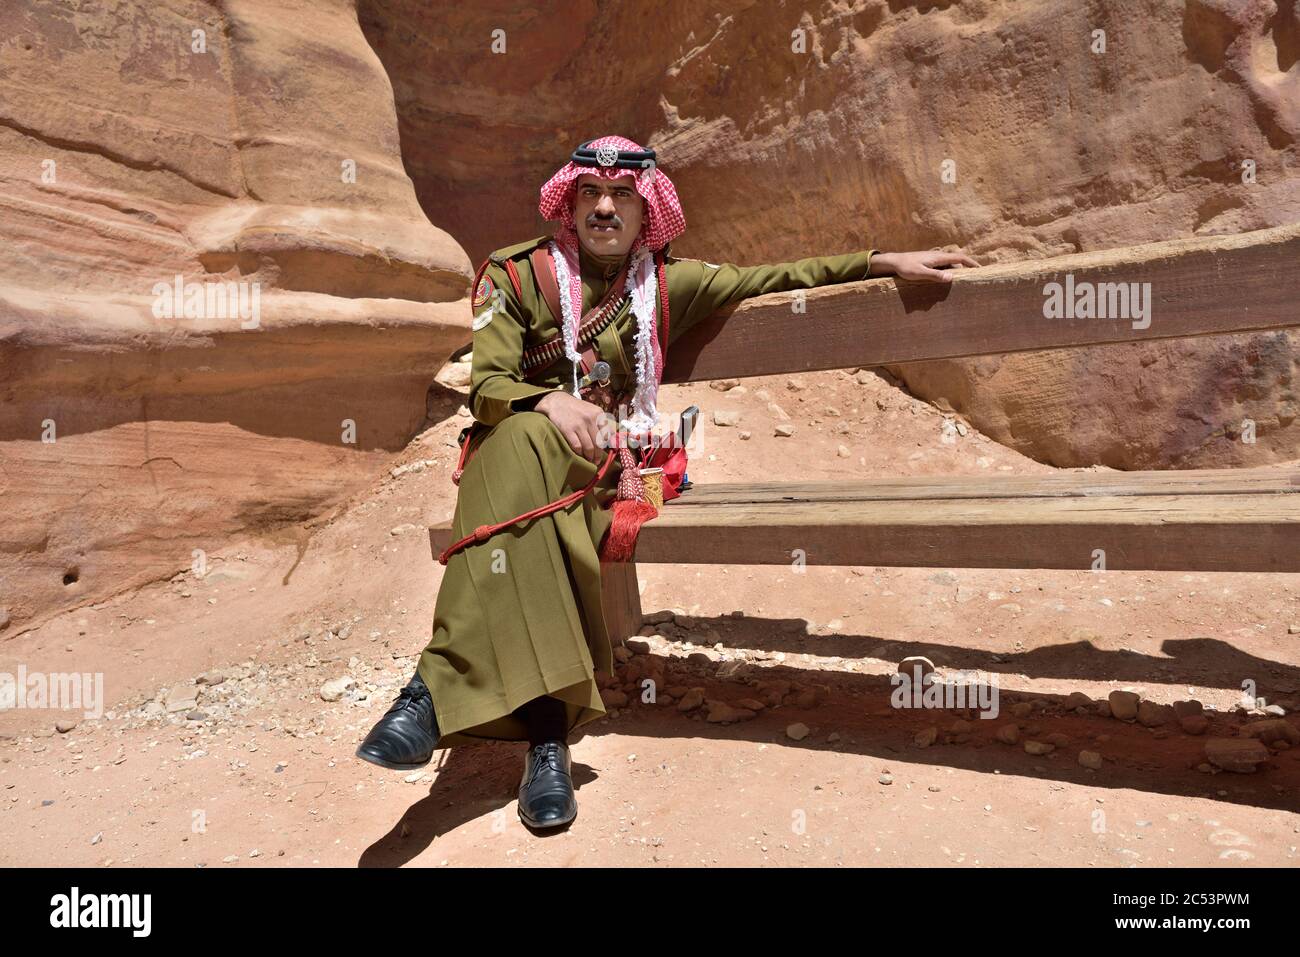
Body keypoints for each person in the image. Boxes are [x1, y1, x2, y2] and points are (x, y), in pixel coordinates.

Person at [357, 135, 976, 831]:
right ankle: (548, 740)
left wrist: (879, 261)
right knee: (526, 447)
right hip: (523, 458)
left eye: (622, 195)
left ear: (646, 210)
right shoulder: (515, 276)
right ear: (569, 201)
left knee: (523, 486)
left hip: (618, 468)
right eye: (590, 193)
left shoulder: (664, 287)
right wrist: (548, 400)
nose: (603, 207)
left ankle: (429, 693)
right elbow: (490, 385)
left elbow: (771, 279)